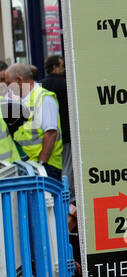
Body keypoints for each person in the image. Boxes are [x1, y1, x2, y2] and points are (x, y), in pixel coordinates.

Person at [3, 63, 63, 180]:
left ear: (19, 80)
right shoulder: (17, 101)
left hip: (45, 167)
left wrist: (41, 164)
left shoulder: (44, 98)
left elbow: (51, 133)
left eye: (9, 83)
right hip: (27, 167)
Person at [41, 54, 74, 195]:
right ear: (54, 67)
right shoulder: (66, 84)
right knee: (68, 166)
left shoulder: (41, 85)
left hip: (48, 134)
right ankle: (68, 195)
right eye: (62, 65)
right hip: (66, 132)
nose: (64, 68)